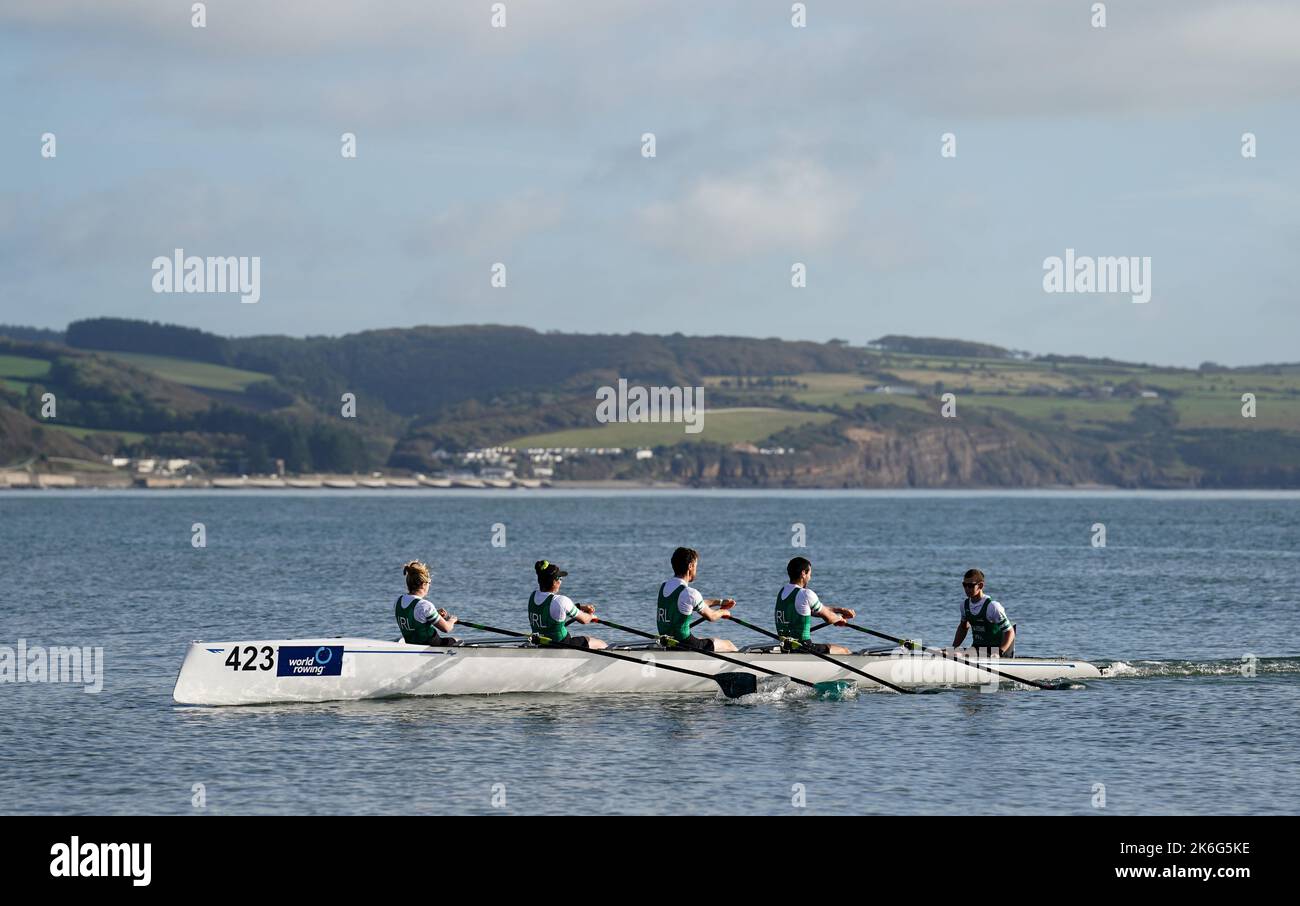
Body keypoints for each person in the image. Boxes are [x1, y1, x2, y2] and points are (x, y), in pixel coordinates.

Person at [655, 547, 738, 652]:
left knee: (703, 640)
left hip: (666, 641)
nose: (696, 570)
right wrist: (724, 611)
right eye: (696, 566)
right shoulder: (689, 593)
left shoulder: (664, 587)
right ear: (690, 566)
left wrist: (720, 602)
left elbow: (697, 603)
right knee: (728, 644)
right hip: (683, 644)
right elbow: (711, 616)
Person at [776, 557, 855, 654]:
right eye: (810, 574)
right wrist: (839, 618)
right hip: (803, 647)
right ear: (803, 573)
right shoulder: (805, 593)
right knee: (845, 651)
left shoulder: (782, 591)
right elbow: (829, 618)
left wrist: (840, 610)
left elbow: (812, 610)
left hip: (785, 646)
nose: (810, 578)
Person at [528, 560, 607, 649]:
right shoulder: (561, 601)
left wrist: (580, 607)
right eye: (560, 579)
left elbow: (553, 609)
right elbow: (584, 620)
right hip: (563, 644)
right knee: (600, 643)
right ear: (554, 582)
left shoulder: (533, 596)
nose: (561, 582)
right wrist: (591, 617)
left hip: (540, 643)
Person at [952, 568, 1015, 657]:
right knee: (948, 652)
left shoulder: (992, 606)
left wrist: (1000, 652)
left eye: (970, 585)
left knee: (957, 654)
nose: (966, 588)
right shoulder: (964, 605)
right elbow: (963, 628)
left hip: (992, 651)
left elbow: (1010, 632)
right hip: (976, 649)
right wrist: (953, 648)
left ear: (980, 586)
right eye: (964, 585)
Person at [395, 560, 459, 646]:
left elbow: (417, 617)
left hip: (411, 645)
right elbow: (446, 629)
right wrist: (452, 620)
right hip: (431, 645)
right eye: (429, 582)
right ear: (423, 584)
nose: (429, 585)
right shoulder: (425, 605)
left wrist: (436, 614)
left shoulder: (398, 601)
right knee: (457, 640)